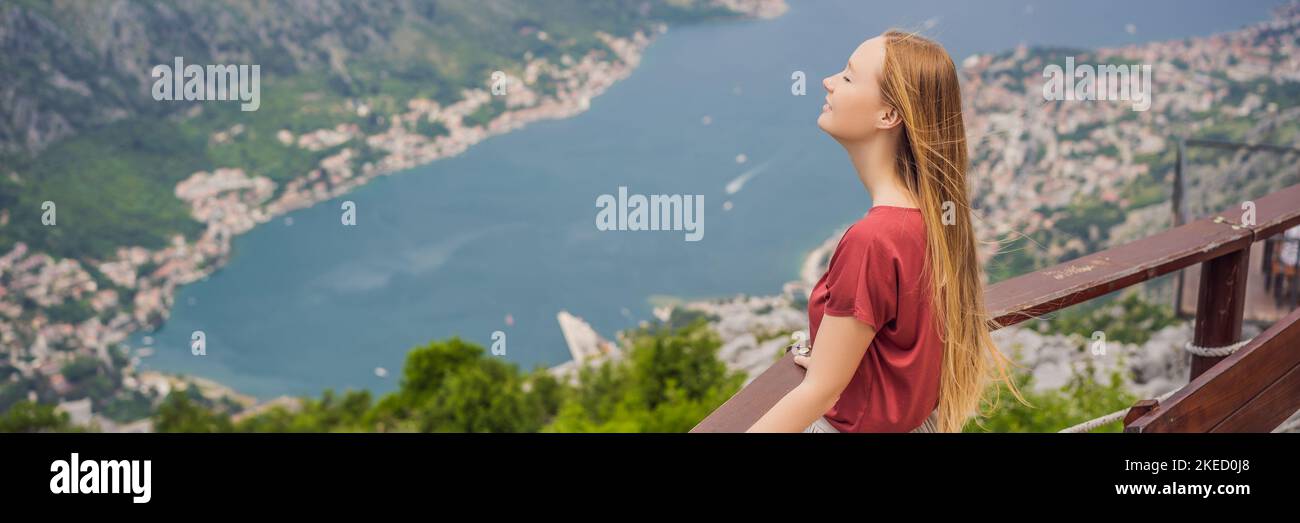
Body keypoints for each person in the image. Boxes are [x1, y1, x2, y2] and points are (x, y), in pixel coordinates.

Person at [747, 30, 1024, 433]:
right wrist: (837, 362)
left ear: (888, 115)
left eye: (847, 76)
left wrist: (826, 377)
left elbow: (819, 393)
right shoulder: (936, 219)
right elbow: (904, 341)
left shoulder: (872, 240)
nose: (828, 80)